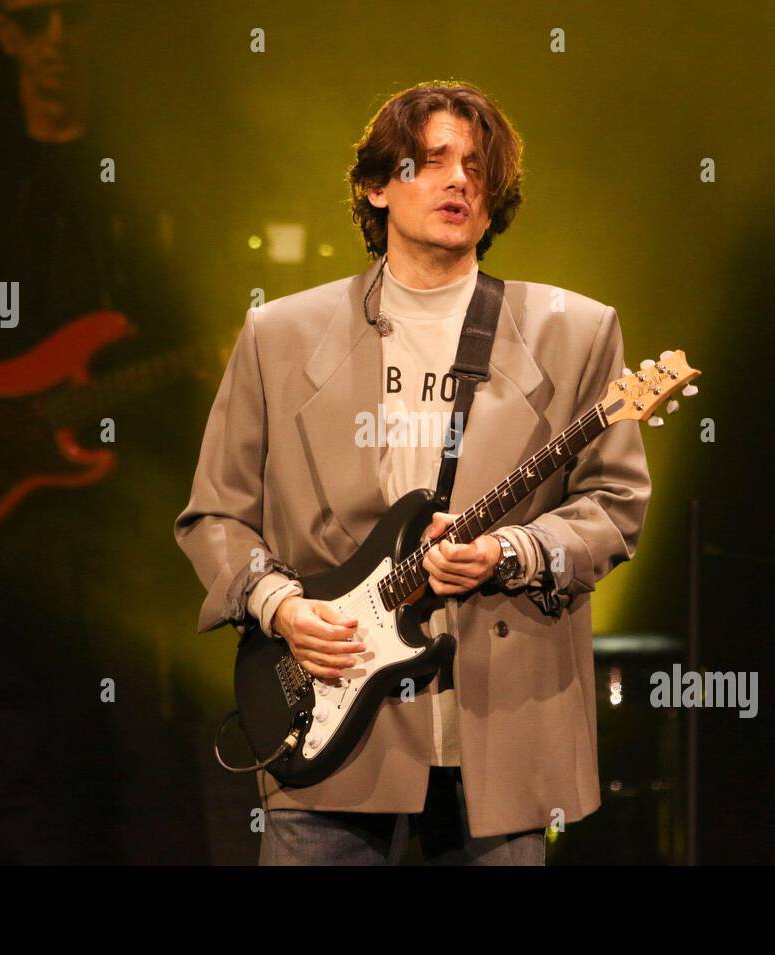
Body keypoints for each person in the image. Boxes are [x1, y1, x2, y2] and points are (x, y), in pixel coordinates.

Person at [176, 81, 651, 865]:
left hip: (502, 731)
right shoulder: (280, 335)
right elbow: (216, 513)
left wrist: (514, 551)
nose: (459, 179)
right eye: (429, 161)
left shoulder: (576, 331)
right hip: (325, 728)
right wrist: (279, 606)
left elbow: (616, 504)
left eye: (476, 165)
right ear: (374, 185)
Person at [0, 0, 198, 864]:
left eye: (76, 16)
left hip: (126, 530)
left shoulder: (146, 169)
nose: (56, 41)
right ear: (0, 33)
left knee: (150, 761)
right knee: (24, 773)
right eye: (32, 20)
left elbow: (179, 331)